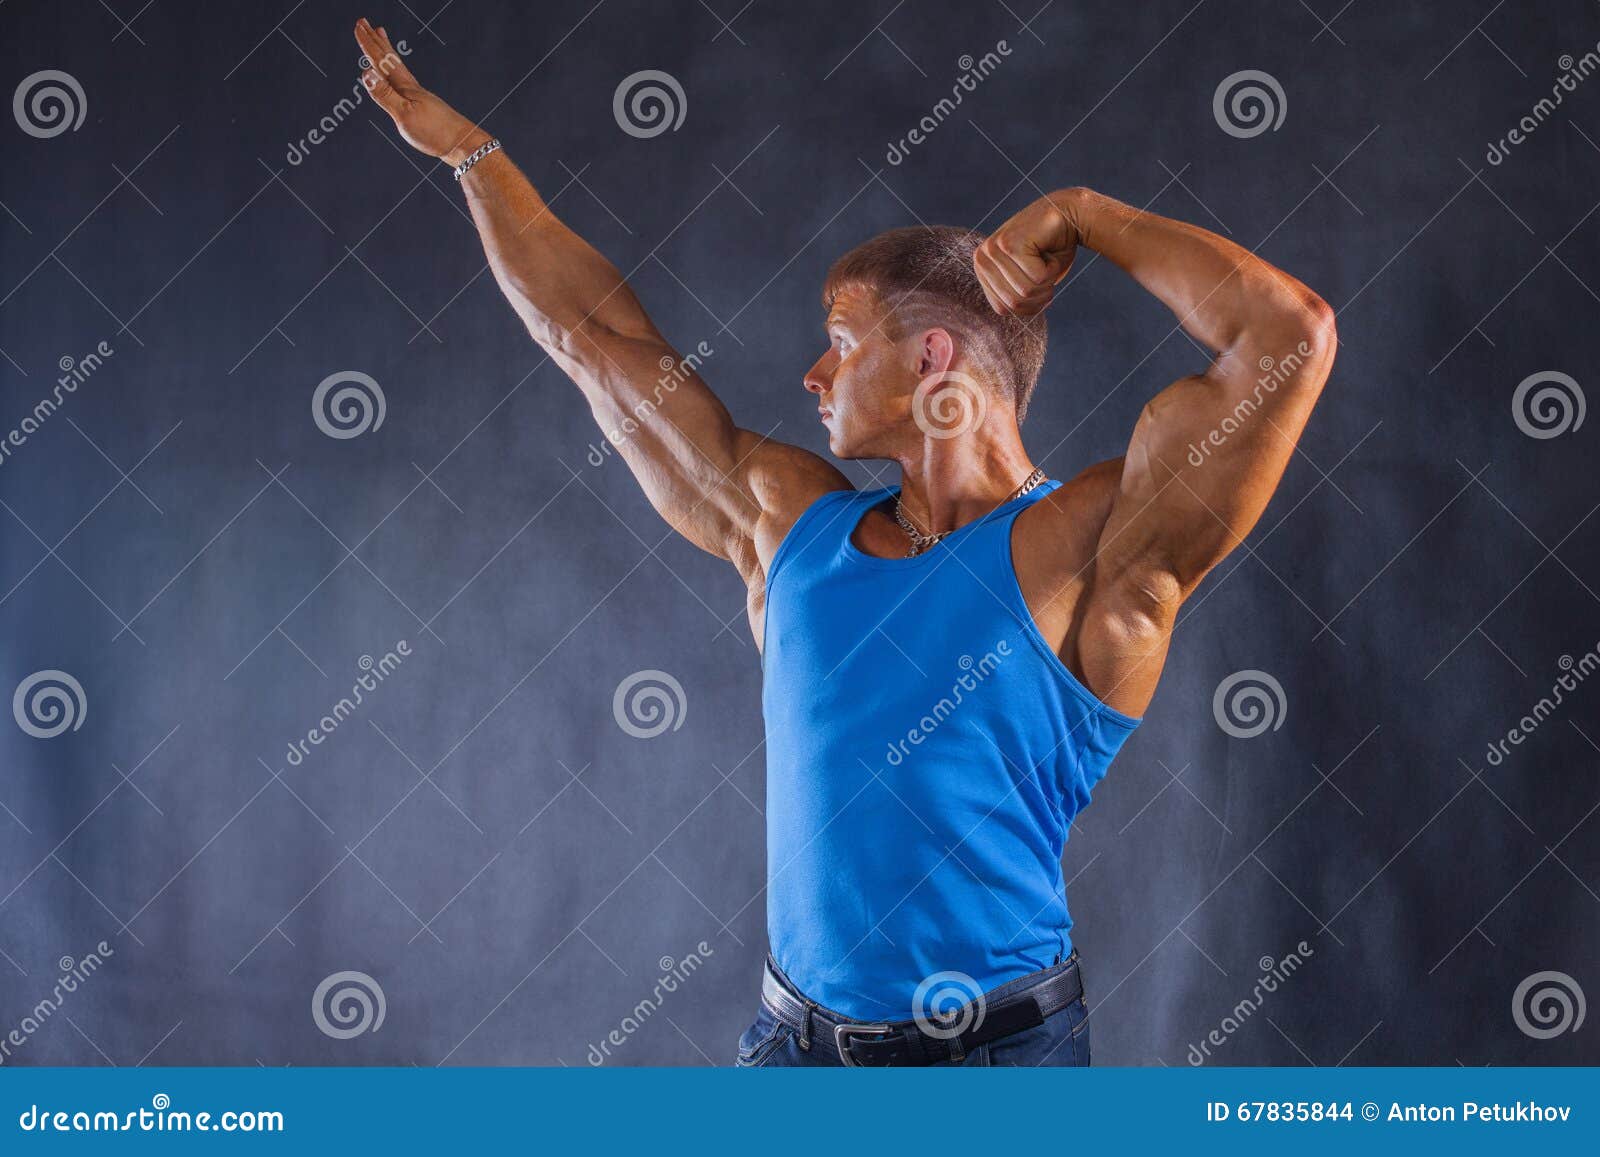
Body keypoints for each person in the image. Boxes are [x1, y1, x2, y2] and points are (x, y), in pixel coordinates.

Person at [353, 18, 1336, 1067]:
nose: (813, 378)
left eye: (838, 340)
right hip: (790, 1053)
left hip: (994, 1065)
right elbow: (593, 341)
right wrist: (472, 155)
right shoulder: (788, 525)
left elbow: (1288, 336)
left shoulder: (1096, 546)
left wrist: (1089, 216)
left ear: (932, 356)